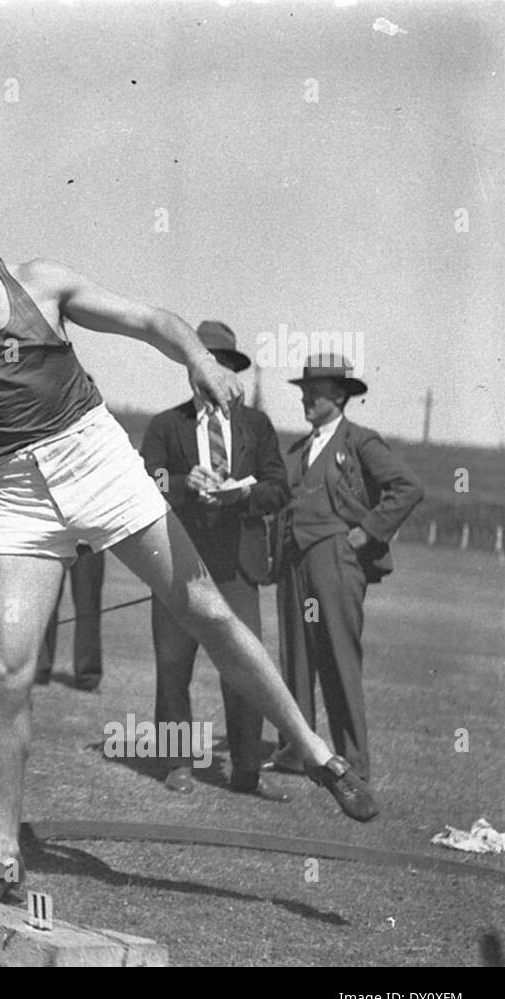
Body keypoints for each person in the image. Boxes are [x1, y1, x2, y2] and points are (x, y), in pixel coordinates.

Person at [0, 174, 379, 903]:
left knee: (208, 611)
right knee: (8, 673)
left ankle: (315, 752)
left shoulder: (43, 284)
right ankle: (3, 850)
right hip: (22, 494)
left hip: (98, 459)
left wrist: (200, 359)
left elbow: (153, 320)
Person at [140, 320, 290, 801]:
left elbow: (278, 489)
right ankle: (178, 763)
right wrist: (186, 483)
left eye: (221, 364)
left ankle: (247, 770)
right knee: (172, 666)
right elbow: (149, 482)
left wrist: (238, 497)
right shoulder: (167, 426)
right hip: (178, 567)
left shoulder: (257, 427)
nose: (207, 373)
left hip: (238, 570)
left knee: (245, 667)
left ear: (230, 372)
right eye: (199, 363)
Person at [266, 355, 424, 782]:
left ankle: (353, 762)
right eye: (303, 391)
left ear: (338, 396)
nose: (305, 398)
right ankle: (297, 751)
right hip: (295, 564)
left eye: (313, 392)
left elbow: (408, 488)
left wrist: (368, 531)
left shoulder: (361, 441)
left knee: (337, 656)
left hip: (335, 562)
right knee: (296, 658)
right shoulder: (299, 449)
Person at [35, 546, 105, 691]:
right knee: (45, 602)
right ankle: (39, 667)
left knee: (88, 605)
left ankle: (87, 675)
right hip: (53, 538)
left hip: (89, 540)